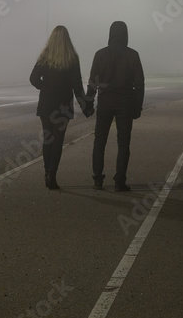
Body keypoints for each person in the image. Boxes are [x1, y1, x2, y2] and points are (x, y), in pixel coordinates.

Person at [86, 20, 144, 191]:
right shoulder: (132, 55)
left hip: (105, 102)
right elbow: (140, 84)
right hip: (125, 102)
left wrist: (89, 103)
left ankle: (97, 178)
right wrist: (137, 107)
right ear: (126, 34)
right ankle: (120, 181)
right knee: (123, 143)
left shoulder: (100, 54)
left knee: (100, 141)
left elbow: (92, 82)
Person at [29, 25, 87, 190]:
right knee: (58, 141)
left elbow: (33, 78)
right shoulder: (72, 58)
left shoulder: (45, 56)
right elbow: (77, 86)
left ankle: (46, 171)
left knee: (48, 139)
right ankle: (52, 174)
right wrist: (86, 106)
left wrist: (45, 87)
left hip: (46, 103)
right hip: (63, 105)